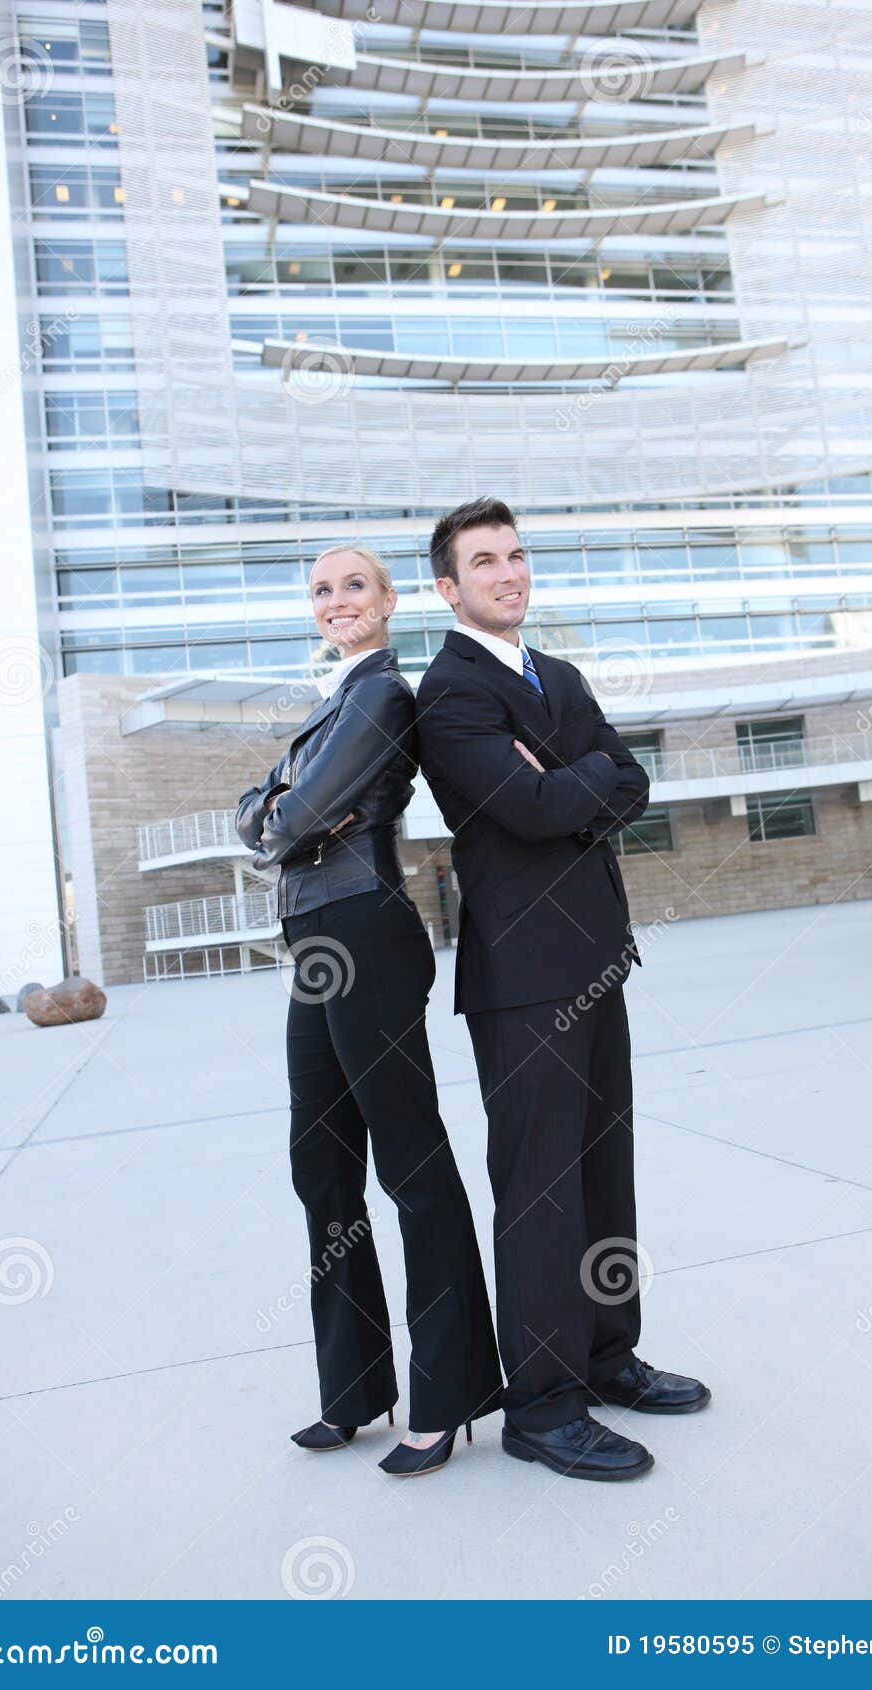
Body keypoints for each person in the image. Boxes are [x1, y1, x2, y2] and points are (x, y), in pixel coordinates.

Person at [415, 497, 711, 1483]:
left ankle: (604, 1354)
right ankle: (541, 1405)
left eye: (514, 555)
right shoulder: (448, 693)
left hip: (594, 961)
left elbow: (628, 781)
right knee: (537, 1194)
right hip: (521, 980)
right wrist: (574, 787)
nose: (507, 573)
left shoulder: (559, 675)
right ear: (448, 587)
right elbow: (532, 808)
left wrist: (570, 780)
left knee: (600, 1176)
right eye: (483, 562)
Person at [235, 545, 502, 1477]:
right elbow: (267, 814)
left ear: (389, 602)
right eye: (320, 589)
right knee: (321, 1167)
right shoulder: (327, 705)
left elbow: (289, 823)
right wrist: (287, 808)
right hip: (310, 936)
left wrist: (287, 810)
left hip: (365, 928)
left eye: (355, 585)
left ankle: (448, 1393)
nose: (337, 600)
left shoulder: (384, 693)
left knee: (409, 1161)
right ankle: (352, 1391)